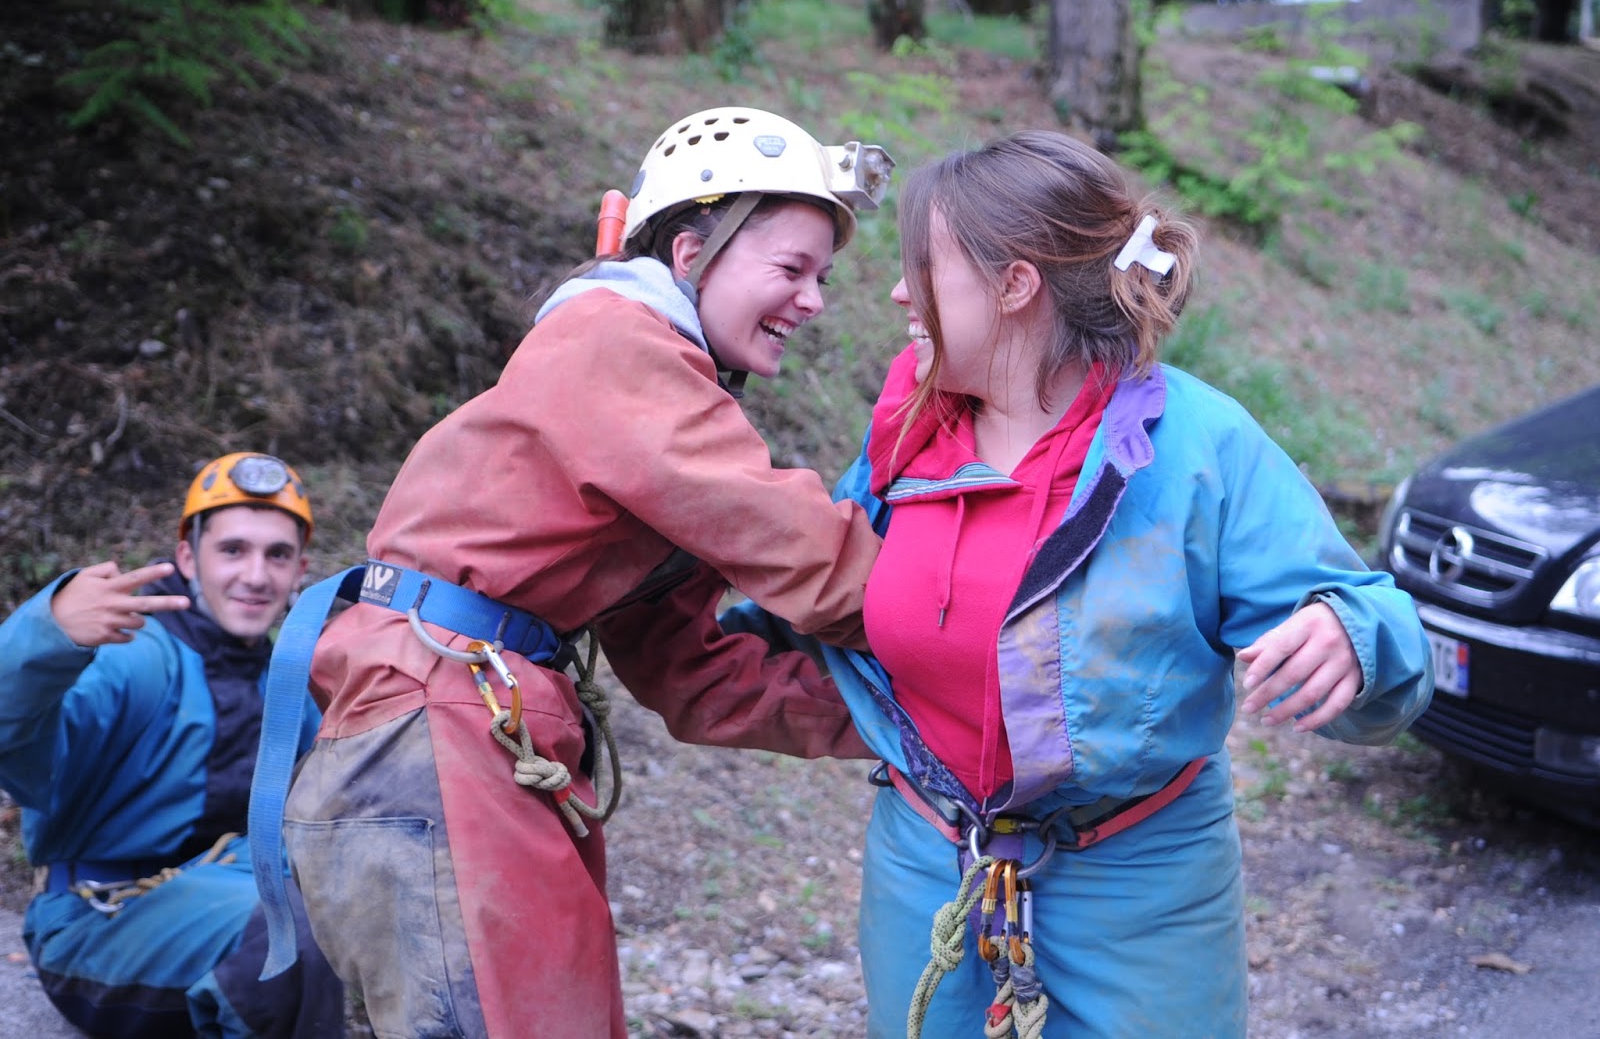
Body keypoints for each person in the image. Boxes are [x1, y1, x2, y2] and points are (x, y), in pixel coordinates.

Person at [722, 129, 1435, 1037]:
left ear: (1015, 285)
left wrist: (1354, 638)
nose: (899, 293)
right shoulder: (909, 432)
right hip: (925, 867)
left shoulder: (1196, 445)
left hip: (1140, 892)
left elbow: (1382, 633)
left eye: (922, 269)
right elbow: (821, 602)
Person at [246, 106, 895, 1038]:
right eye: (791, 269)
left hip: (458, 724)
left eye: (821, 278)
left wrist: (910, 717)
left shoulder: (644, 424)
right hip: (438, 725)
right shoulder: (617, 345)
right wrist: (986, 630)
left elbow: (694, 673)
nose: (814, 301)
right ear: (691, 254)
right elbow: (815, 560)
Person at [0, 452, 342, 1038]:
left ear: (300, 571)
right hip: (97, 923)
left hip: (229, 902)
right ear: (188, 557)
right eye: (232, 550)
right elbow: (17, 745)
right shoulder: (132, 658)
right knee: (287, 937)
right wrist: (46, 634)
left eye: (277, 555)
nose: (256, 575)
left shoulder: (289, 686)